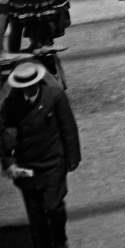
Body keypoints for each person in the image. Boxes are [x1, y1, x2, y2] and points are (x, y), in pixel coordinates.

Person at [1, 60, 80, 248]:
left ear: (36, 83)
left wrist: (72, 158)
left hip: (53, 162)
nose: (27, 91)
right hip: (27, 166)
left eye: (29, 86)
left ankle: (60, 240)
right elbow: (5, 135)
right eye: (23, 87)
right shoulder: (11, 105)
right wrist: (10, 163)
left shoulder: (54, 96)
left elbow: (68, 127)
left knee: (53, 206)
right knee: (36, 214)